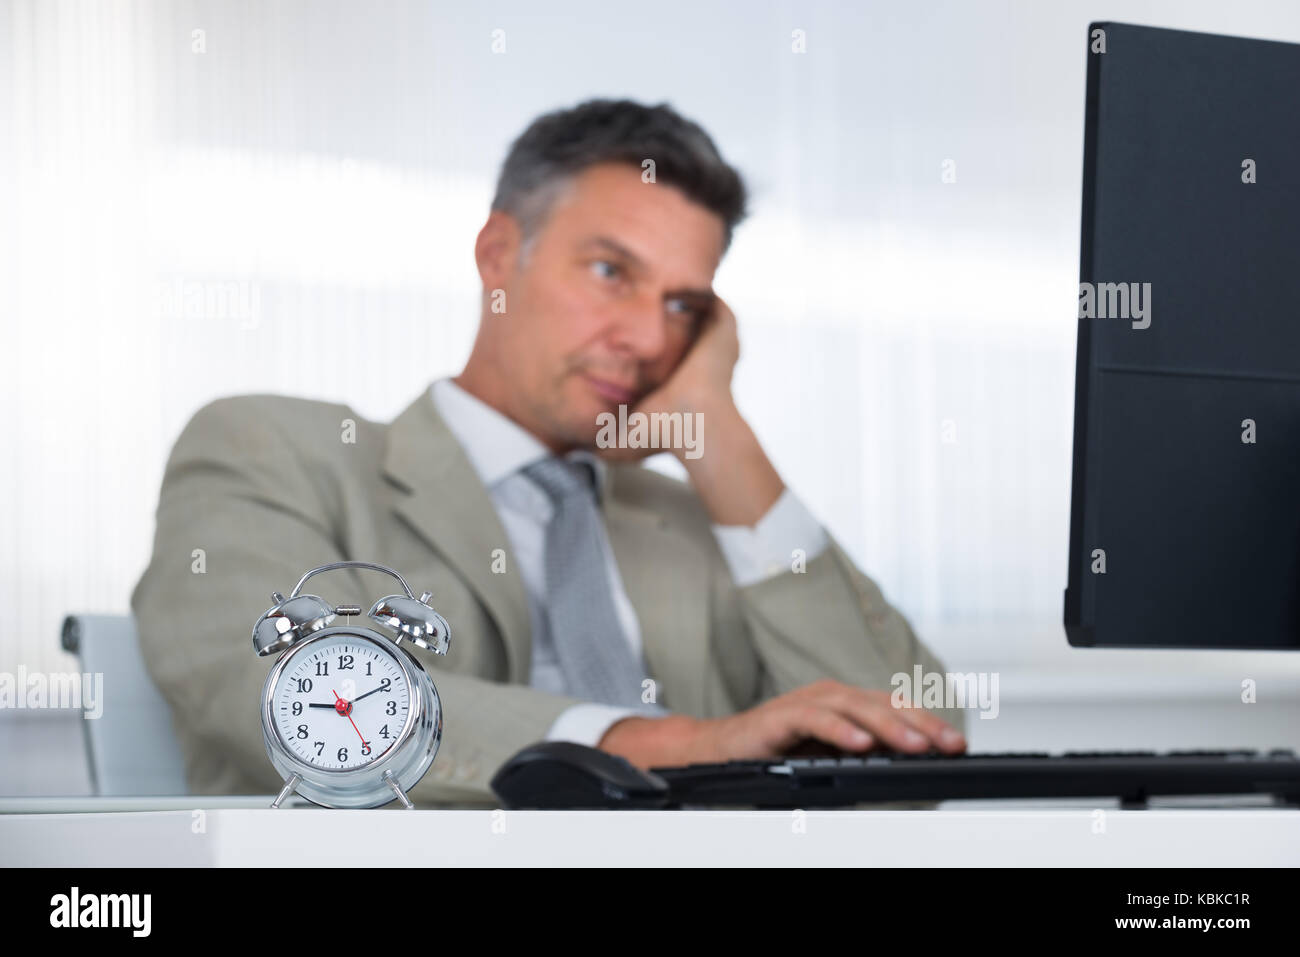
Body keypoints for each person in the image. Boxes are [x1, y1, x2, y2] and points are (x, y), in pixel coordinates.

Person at [132, 98, 966, 807]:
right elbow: (297, 698)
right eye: (611, 270)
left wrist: (718, 432)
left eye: (682, 305)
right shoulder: (278, 453)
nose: (646, 336)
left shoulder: (690, 522)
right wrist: (689, 743)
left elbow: (915, 743)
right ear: (500, 256)